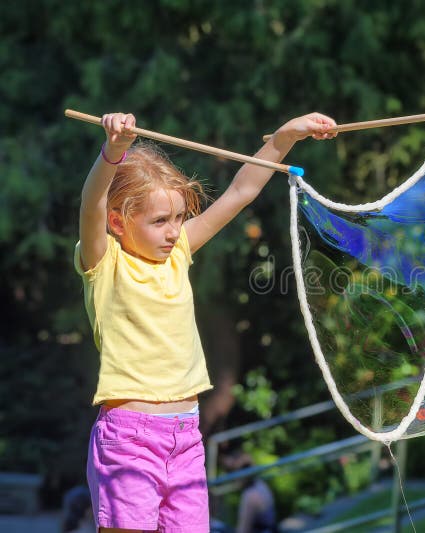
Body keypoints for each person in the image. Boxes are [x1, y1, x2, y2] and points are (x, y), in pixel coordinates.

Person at [75, 110, 337, 532]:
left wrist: (286, 136)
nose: (174, 231)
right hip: (129, 438)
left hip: (187, 435)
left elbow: (241, 191)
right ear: (119, 221)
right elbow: (92, 204)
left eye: (179, 218)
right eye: (160, 221)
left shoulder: (178, 253)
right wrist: (114, 152)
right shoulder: (105, 263)